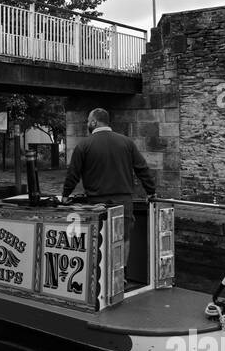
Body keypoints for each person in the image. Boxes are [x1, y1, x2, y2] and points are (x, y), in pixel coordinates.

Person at [60, 108, 157, 278]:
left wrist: (66, 195)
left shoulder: (84, 145)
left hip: (96, 201)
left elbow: (73, 174)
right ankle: (121, 275)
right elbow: (142, 169)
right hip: (123, 200)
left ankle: (99, 276)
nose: (87, 123)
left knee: (98, 237)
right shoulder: (127, 142)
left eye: (88, 120)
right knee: (124, 237)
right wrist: (151, 191)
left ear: (94, 122)